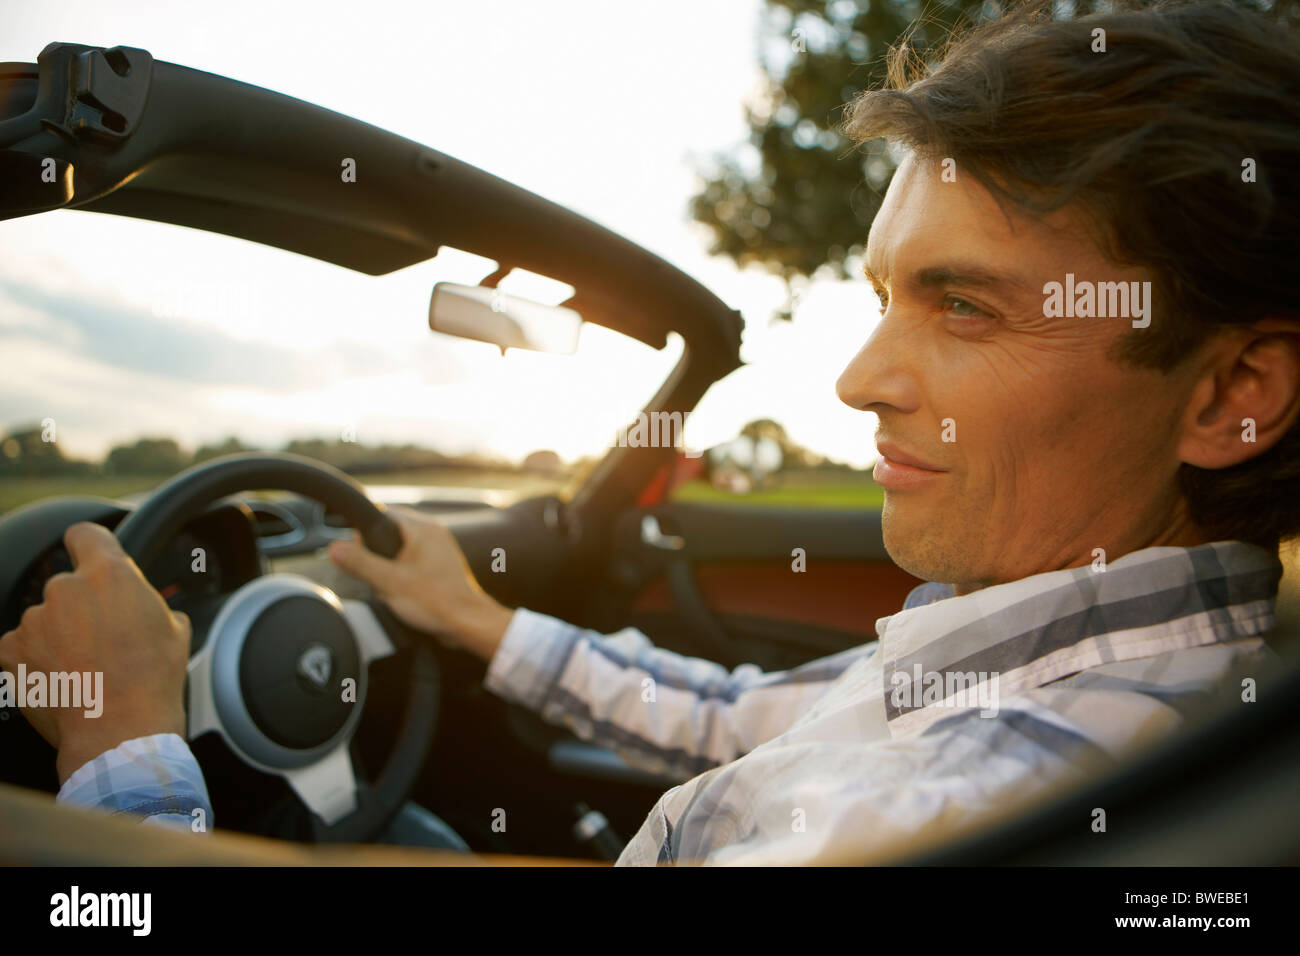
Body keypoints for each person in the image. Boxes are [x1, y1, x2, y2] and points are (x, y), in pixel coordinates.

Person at [2, 0, 1298, 865]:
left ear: (1233, 393)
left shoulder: (955, 801)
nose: (857, 381)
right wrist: (481, 620)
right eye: (882, 294)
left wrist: (125, 752)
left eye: (964, 307)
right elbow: (742, 721)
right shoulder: (1037, 649)